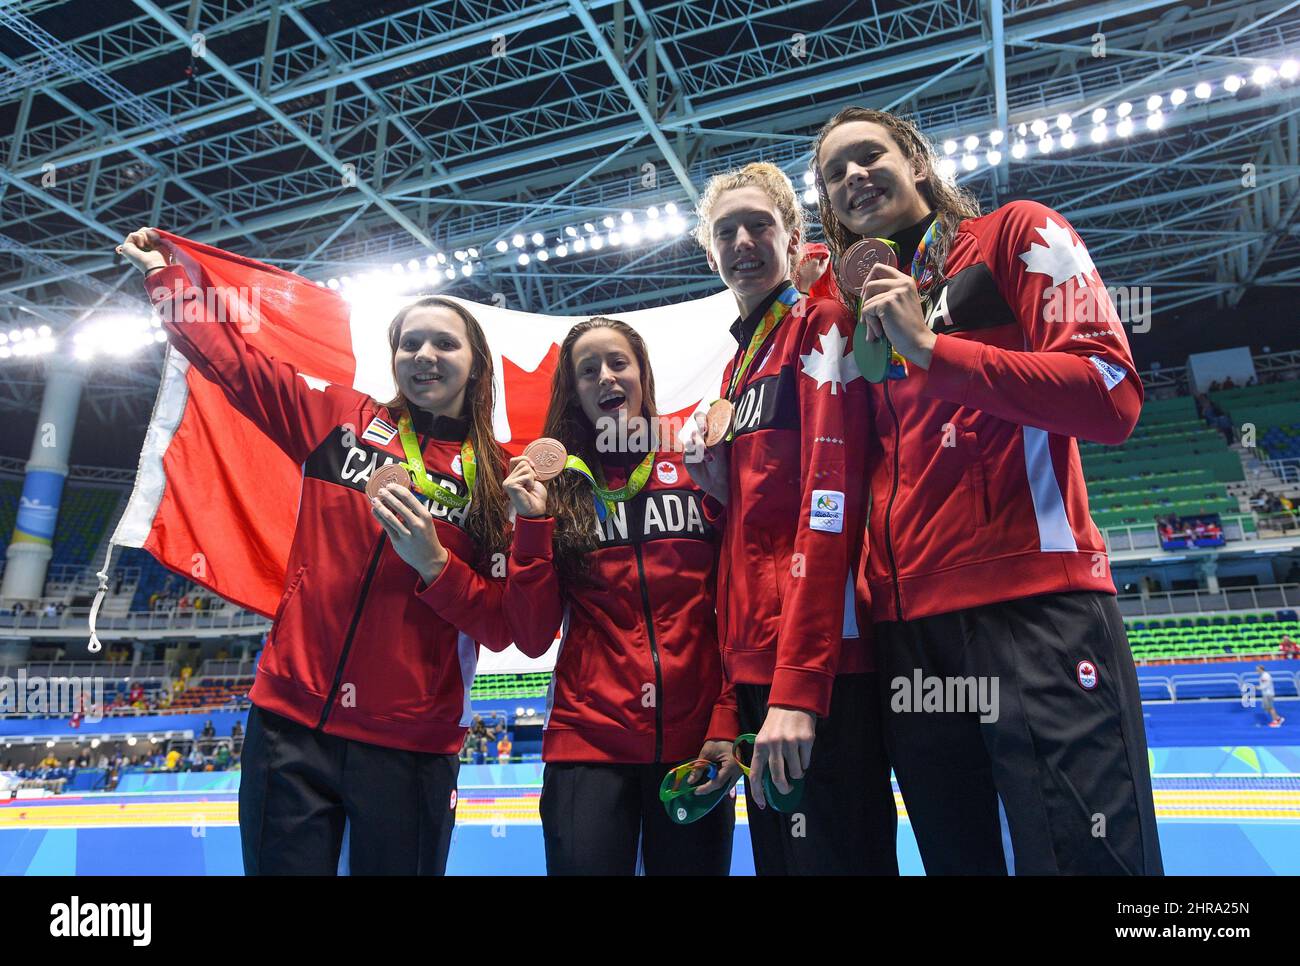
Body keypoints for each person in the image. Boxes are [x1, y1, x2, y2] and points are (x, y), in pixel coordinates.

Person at [812, 106, 1162, 875]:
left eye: (868, 155)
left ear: (917, 161)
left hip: (1033, 608)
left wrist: (934, 348)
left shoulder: (1016, 235)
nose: (852, 178)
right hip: (912, 637)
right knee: (958, 860)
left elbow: (1110, 394)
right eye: (833, 174)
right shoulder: (855, 317)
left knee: (1085, 861)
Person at [117, 226, 526, 876]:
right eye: (408, 342)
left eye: (444, 343)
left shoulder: (495, 478)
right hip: (289, 724)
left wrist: (436, 566)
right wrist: (168, 280)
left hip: (409, 743)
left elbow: (505, 626)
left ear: (476, 363)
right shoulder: (346, 422)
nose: (424, 354)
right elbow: (237, 365)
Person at [427, 317, 740, 875]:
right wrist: (531, 526)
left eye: (618, 363)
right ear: (572, 391)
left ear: (642, 373)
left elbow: (738, 605)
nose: (605, 377)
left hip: (696, 743)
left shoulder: (694, 463)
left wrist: (726, 716)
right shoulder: (556, 484)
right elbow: (528, 635)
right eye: (587, 370)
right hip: (588, 746)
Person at [685, 162, 898, 875]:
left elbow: (828, 505)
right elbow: (740, 548)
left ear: (792, 235)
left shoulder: (821, 327)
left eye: (759, 226)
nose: (743, 242)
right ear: (708, 253)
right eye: (726, 233)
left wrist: (799, 688)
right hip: (758, 668)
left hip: (818, 666)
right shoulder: (738, 368)